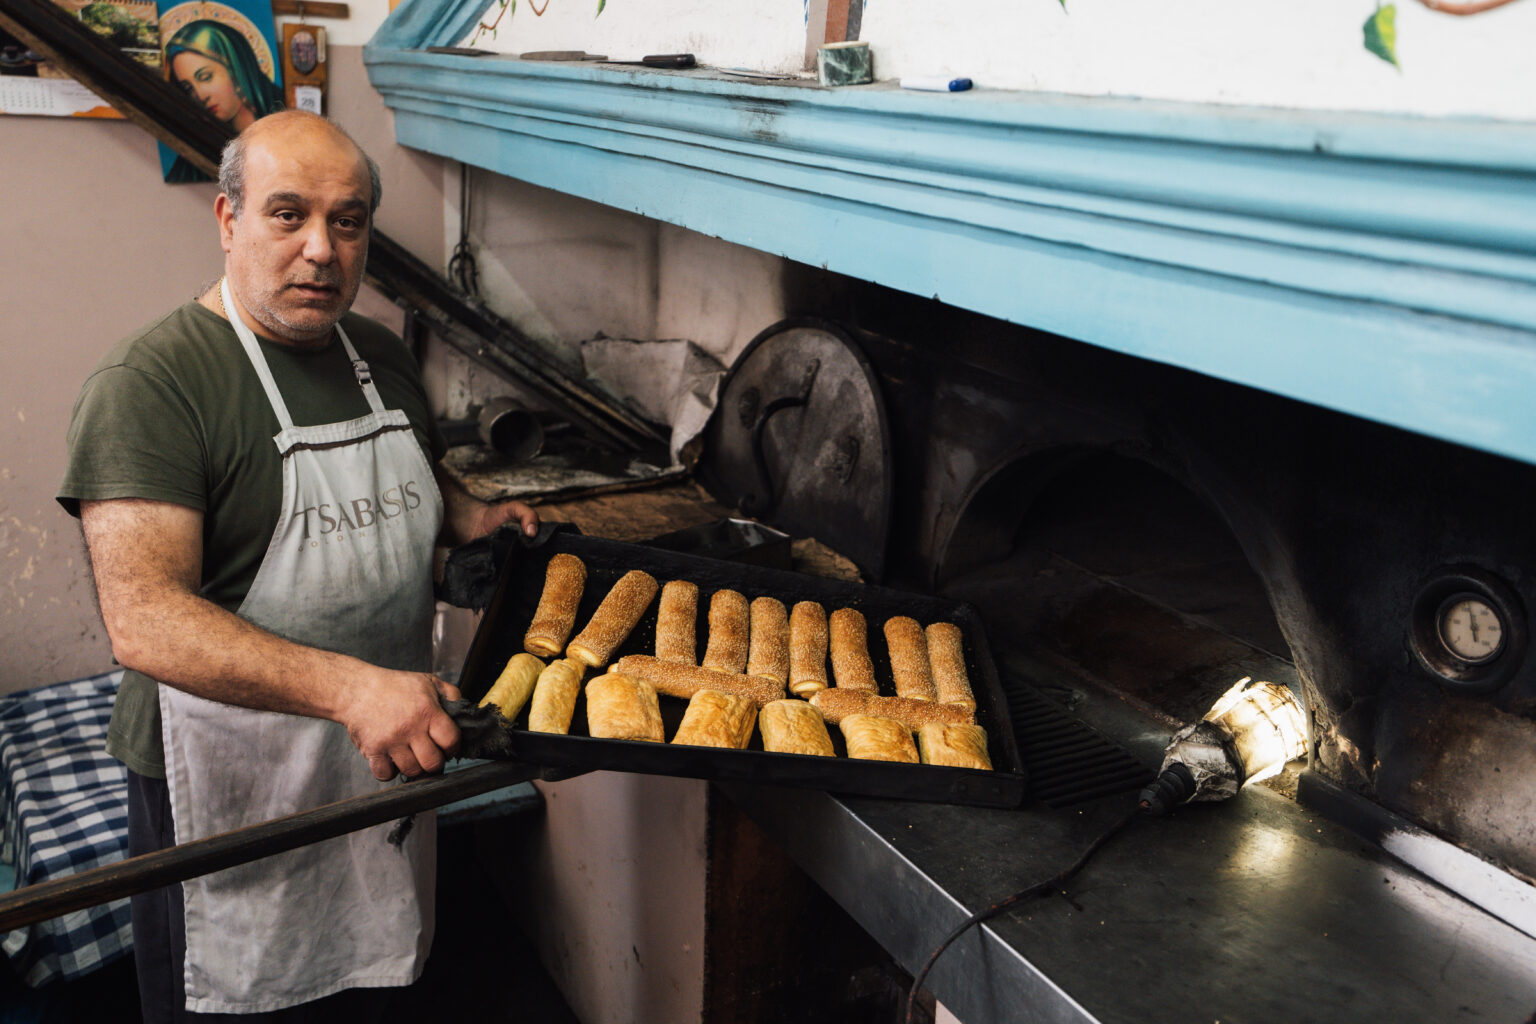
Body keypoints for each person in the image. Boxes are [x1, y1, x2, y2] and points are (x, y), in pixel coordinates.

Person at [58, 110, 538, 1021]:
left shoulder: (382, 358)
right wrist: (355, 691)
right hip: (233, 783)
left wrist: (469, 521)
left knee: (377, 975)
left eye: (348, 222)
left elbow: (402, 485)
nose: (322, 250)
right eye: (289, 215)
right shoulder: (152, 386)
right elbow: (146, 618)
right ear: (228, 218)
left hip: (382, 758)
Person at [163, 20, 284, 182]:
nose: (200, 96)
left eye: (206, 77)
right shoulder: (195, 153)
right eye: (188, 88)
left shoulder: (286, 123)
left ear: (235, 67)